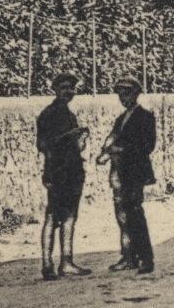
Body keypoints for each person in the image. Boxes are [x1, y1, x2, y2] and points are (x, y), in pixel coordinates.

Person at [98, 77, 156, 273]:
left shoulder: (145, 117)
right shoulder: (121, 119)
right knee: (123, 216)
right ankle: (129, 256)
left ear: (136, 94)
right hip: (120, 172)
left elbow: (147, 146)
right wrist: (105, 151)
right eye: (121, 94)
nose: (123, 98)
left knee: (135, 214)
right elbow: (112, 137)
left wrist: (119, 149)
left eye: (127, 93)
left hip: (134, 173)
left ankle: (145, 258)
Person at [36, 73, 91, 280]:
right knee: (62, 217)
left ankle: (52, 262)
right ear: (55, 89)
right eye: (65, 87)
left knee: (59, 216)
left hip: (62, 170)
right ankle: (60, 262)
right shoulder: (53, 114)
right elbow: (45, 144)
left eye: (72, 88)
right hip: (63, 170)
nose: (69, 91)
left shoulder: (62, 113)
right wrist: (75, 137)